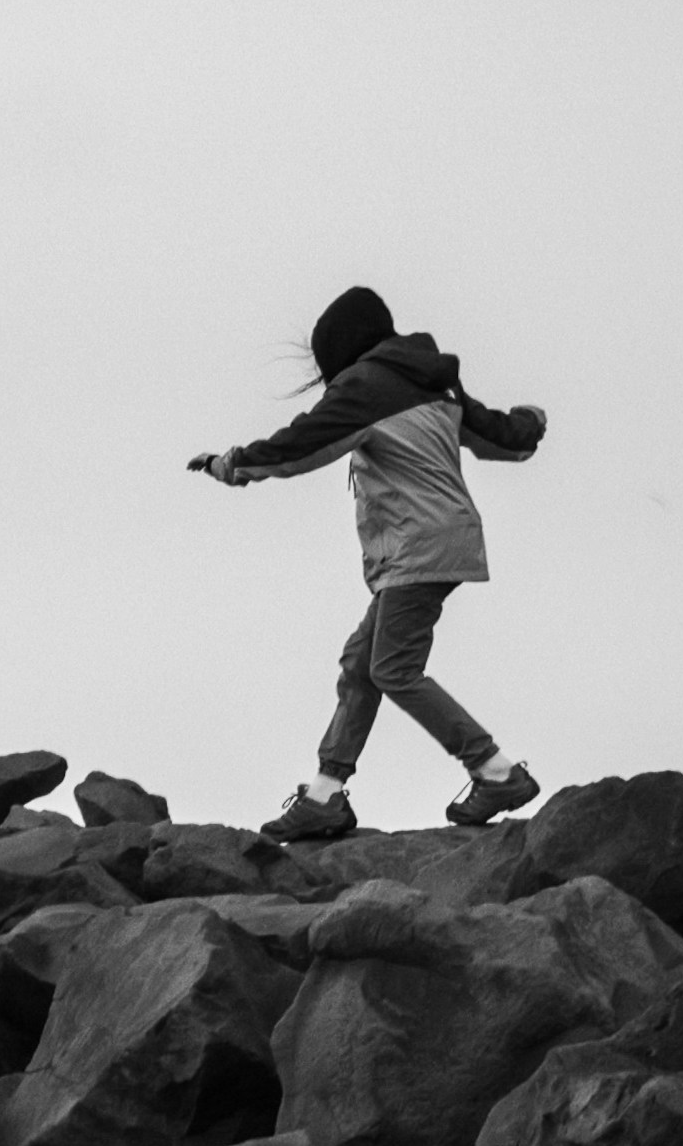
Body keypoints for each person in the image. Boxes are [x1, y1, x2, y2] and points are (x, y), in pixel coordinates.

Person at [192, 283, 549, 841]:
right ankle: (324, 794)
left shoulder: (366, 387)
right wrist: (530, 423)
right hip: (436, 543)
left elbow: (301, 444)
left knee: (393, 669)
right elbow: (500, 438)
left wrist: (231, 464)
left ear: (341, 349)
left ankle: (495, 771)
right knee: (362, 662)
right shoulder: (433, 381)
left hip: (417, 548)